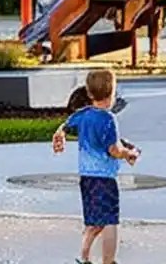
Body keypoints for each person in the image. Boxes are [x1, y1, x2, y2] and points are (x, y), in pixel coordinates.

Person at [52, 69, 139, 264]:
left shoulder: (83, 115)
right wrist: (129, 154)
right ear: (112, 93)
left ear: (90, 94)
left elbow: (66, 125)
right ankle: (109, 261)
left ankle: (82, 258)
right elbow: (114, 150)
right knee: (109, 222)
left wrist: (59, 136)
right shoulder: (108, 119)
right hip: (104, 179)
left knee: (94, 222)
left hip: (87, 178)